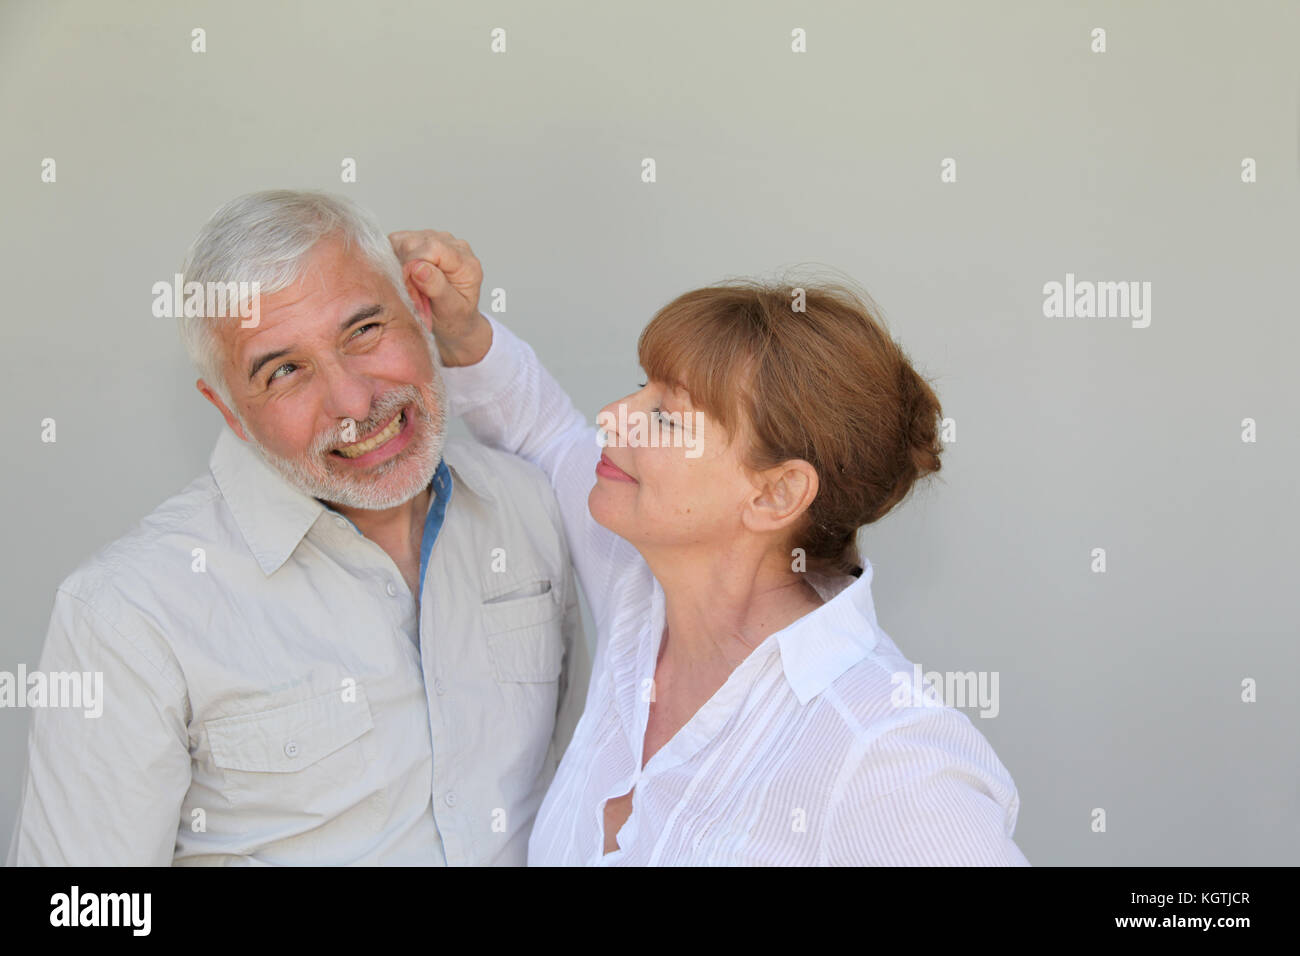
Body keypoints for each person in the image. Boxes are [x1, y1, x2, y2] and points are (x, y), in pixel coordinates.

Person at [393, 230, 1030, 865]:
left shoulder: (886, 753)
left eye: (668, 415)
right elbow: (546, 434)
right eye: (640, 387)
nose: (615, 414)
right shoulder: (641, 585)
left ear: (776, 495)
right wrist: (460, 329)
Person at [6, 192, 589, 865]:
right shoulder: (128, 613)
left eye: (365, 330)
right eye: (284, 371)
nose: (353, 404)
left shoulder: (528, 508)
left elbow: (574, 795)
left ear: (418, 310)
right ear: (226, 408)